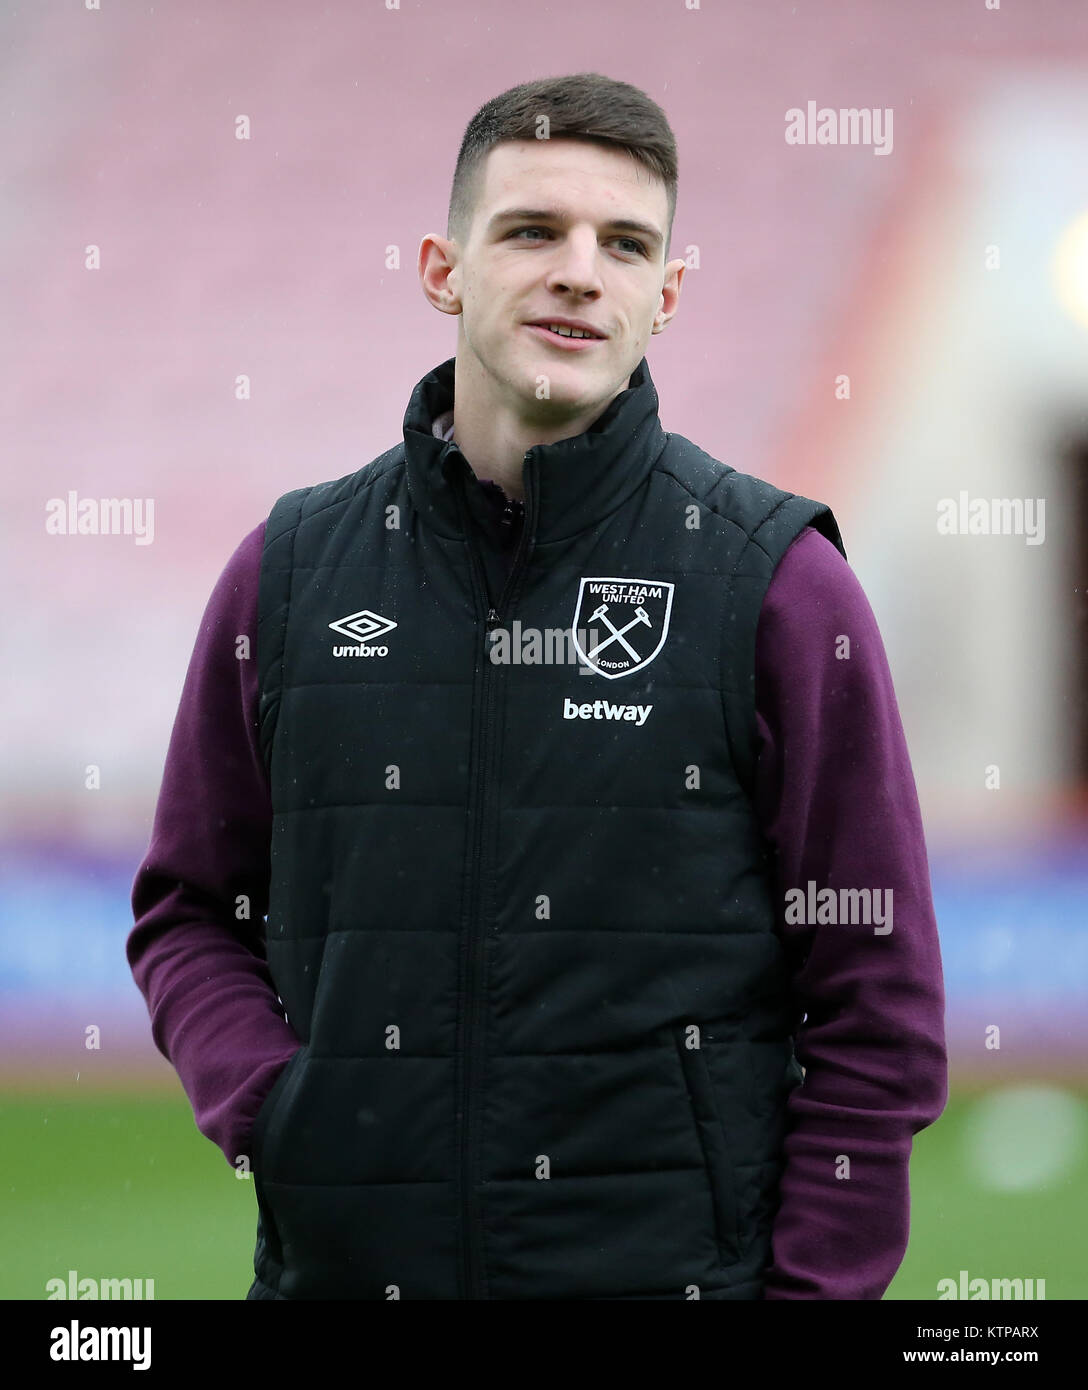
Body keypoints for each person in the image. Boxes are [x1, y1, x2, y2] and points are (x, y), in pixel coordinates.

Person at [127, 72, 947, 1301]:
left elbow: (872, 996)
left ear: (663, 297)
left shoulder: (776, 586)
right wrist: (274, 1106)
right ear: (440, 269)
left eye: (623, 244)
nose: (578, 270)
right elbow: (190, 908)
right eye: (530, 231)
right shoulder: (288, 574)